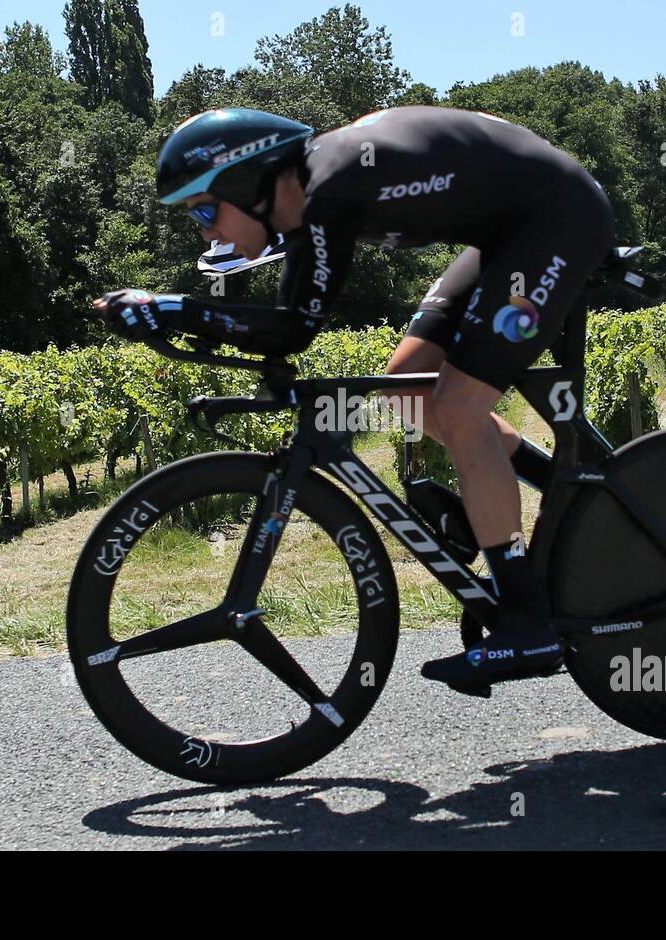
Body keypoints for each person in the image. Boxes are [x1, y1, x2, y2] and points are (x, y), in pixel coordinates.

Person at [93, 105, 616, 695]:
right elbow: (283, 324)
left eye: (206, 211)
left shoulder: (331, 189)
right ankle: (566, 497)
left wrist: (175, 309)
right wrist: (178, 312)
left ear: (247, 182)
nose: (207, 231)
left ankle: (527, 623)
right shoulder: (318, 192)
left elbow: (291, 330)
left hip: (557, 218)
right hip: (513, 229)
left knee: (458, 407)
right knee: (406, 386)